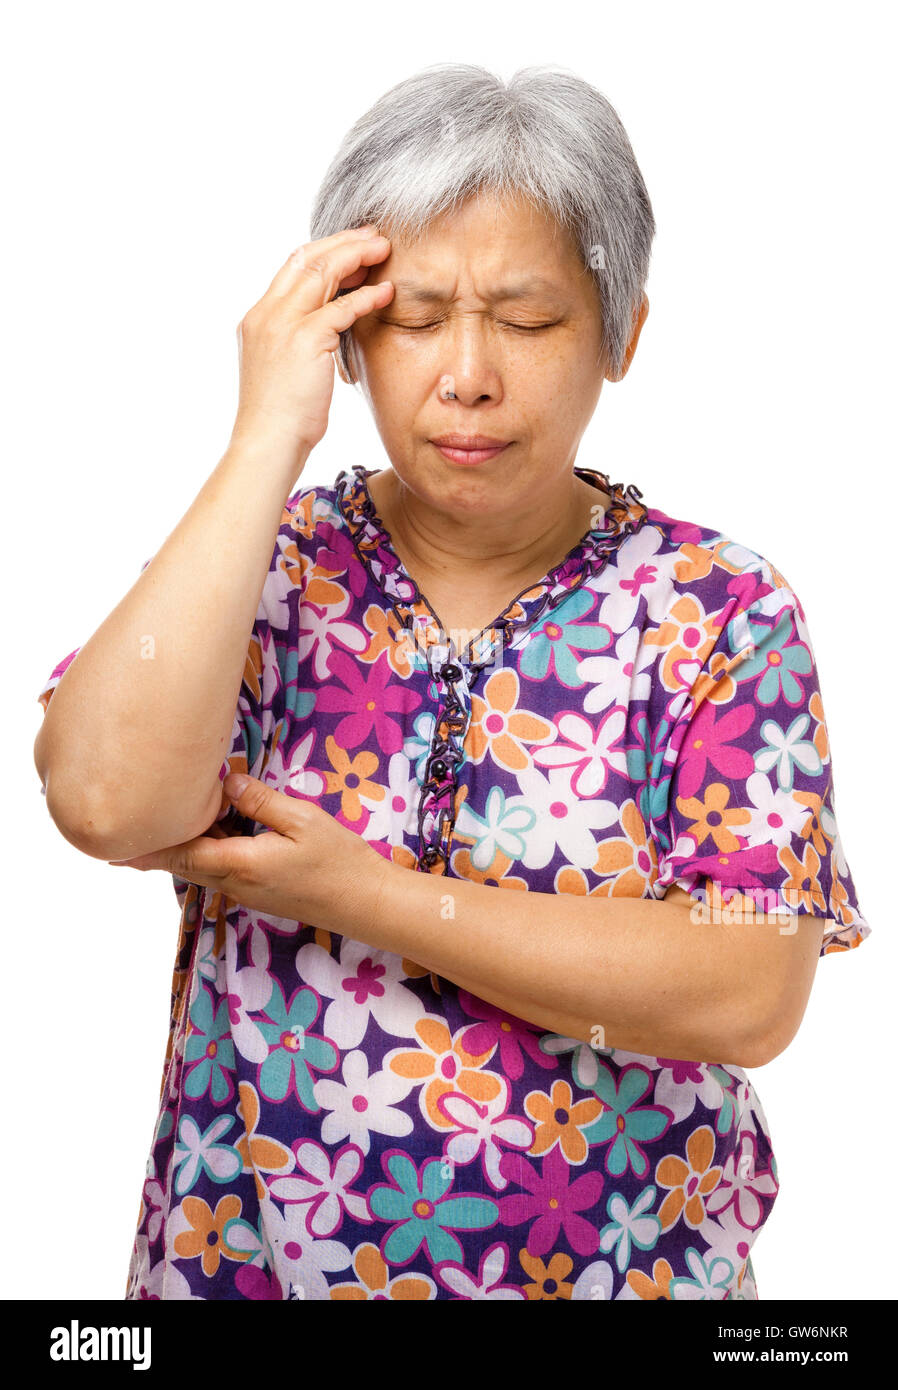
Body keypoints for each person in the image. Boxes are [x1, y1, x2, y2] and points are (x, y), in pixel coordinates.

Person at [35, 63, 870, 1302]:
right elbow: (105, 800)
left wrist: (366, 895)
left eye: (527, 321)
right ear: (348, 335)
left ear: (623, 333)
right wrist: (268, 430)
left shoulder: (718, 610)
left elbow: (748, 985)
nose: (467, 375)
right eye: (415, 318)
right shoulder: (263, 566)